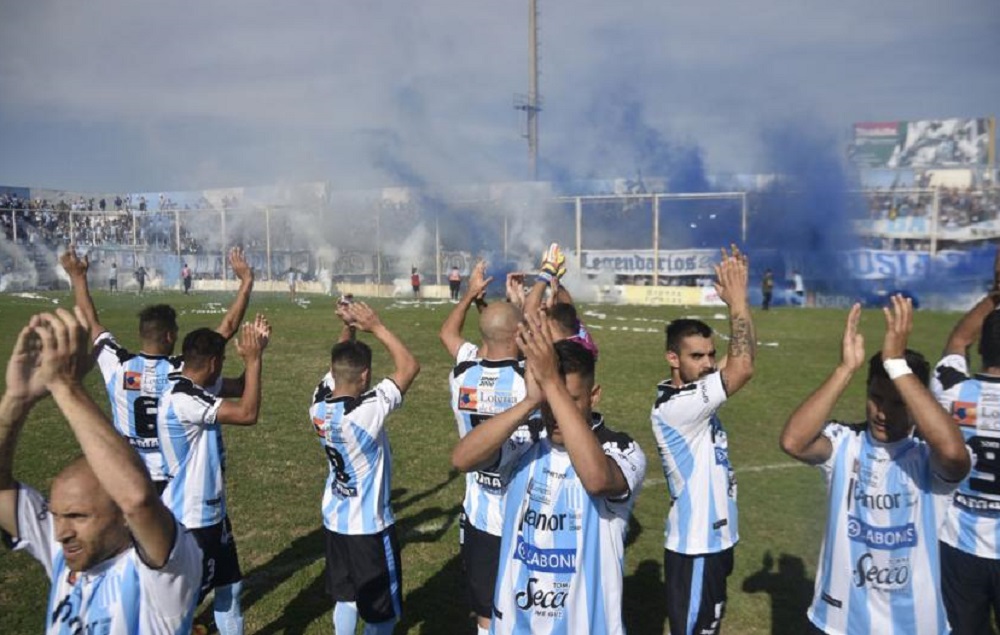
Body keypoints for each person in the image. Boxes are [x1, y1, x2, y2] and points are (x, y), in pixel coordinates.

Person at [0, 307, 203, 634]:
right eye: (56, 515)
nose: (61, 532)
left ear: (122, 516)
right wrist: (15, 400)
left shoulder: (163, 575)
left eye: (79, 516)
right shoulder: (65, 550)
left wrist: (65, 386)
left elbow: (138, 500)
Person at [780, 296, 970, 634]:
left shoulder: (927, 458)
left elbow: (956, 456)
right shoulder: (844, 443)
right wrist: (844, 370)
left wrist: (898, 364)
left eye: (897, 403)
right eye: (876, 398)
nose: (883, 412)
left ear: (916, 401)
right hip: (838, 623)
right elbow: (794, 441)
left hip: (915, 626)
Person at [452, 314, 646, 635]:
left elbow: (597, 480)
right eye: (550, 400)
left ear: (594, 395)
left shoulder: (621, 448)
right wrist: (530, 401)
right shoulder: (527, 438)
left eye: (569, 400)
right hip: (517, 625)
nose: (556, 414)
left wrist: (552, 385)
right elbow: (461, 459)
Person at [60, 246, 255, 494]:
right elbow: (226, 329)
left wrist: (77, 277)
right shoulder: (184, 370)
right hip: (173, 476)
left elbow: (91, 320)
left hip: (131, 474)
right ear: (170, 335)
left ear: (141, 333)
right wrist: (246, 282)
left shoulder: (117, 366)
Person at [650, 246, 755, 635]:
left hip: (717, 540)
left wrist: (736, 303)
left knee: (707, 624)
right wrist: (739, 301)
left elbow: (740, 360)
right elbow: (742, 367)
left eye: (711, 354)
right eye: (697, 356)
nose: (709, 364)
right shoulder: (676, 408)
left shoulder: (696, 392)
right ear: (673, 359)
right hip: (696, 547)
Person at [309, 302, 419, 635]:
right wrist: (375, 325)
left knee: (346, 598)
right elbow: (409, 366)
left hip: (335, 520)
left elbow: (337, 366)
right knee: (381, 615)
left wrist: (349, 327)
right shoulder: (366, 413)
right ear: (366, 375)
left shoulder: (317, 406)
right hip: (369, 528)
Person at [158, 316, 270, 635]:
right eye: (221, 363)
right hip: (191, 519)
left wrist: (258, 352)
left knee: (230, 588)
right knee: (182, 606)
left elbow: (243, 386)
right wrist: (254, 359)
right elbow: (248, 413)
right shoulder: (184, 399)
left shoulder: (196, 384)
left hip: (213, 514)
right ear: (212, 362)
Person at [439, 260, 531, 635]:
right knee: (525, 610)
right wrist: (522, 306)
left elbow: (448, 334)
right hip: (523, 518)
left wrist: (470, 297)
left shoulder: (461, 375)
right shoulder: (530, 382)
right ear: (519, 333)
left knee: (485, 615)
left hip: (478, 517)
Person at [930, 251, 1000, 634]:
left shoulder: (952, 392)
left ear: (983, 348)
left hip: (961, 546)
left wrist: (995, 294)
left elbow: (957, 340)